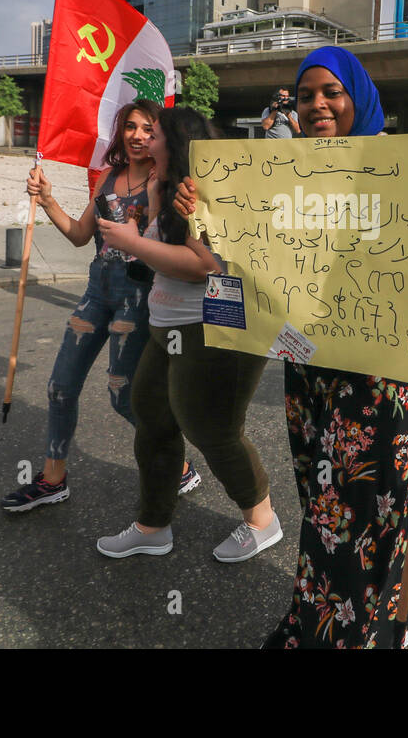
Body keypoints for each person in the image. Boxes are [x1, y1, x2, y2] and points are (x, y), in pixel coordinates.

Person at [175, 46, 408, 647]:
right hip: (311, 371)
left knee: (383, 504)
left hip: (384, 376)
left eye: (330, 92)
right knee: (325, 505)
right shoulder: (281, 177)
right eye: (305, 94)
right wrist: (202, 221)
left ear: (357, 98)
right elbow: (233, 270)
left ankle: (366, 626)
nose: (317, 104)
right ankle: (326, 617)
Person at [94, 106, 282, 563]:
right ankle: (152, 526)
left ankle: (262, 519)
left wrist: (132, 242)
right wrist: (140, 235)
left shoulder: (198, 190)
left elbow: (205, 267)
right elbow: (164, 254)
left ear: (174, 142)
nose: (143, 140)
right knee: (152, 416)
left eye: (153, 134)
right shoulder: (162, 185)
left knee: (210, 428)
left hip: (212, 327)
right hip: (167, 326)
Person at [0, 100, 201, 512]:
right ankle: (53, 479)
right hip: (96, 294)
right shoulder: (108, 178)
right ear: (120, 131)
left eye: (149, 129)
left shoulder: (166, 182)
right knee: (59, 386)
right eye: (131, 127)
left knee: (122, 397)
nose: (139, 136)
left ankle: (178, 464)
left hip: (138, 300)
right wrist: (48, 198)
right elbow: (79, 235)